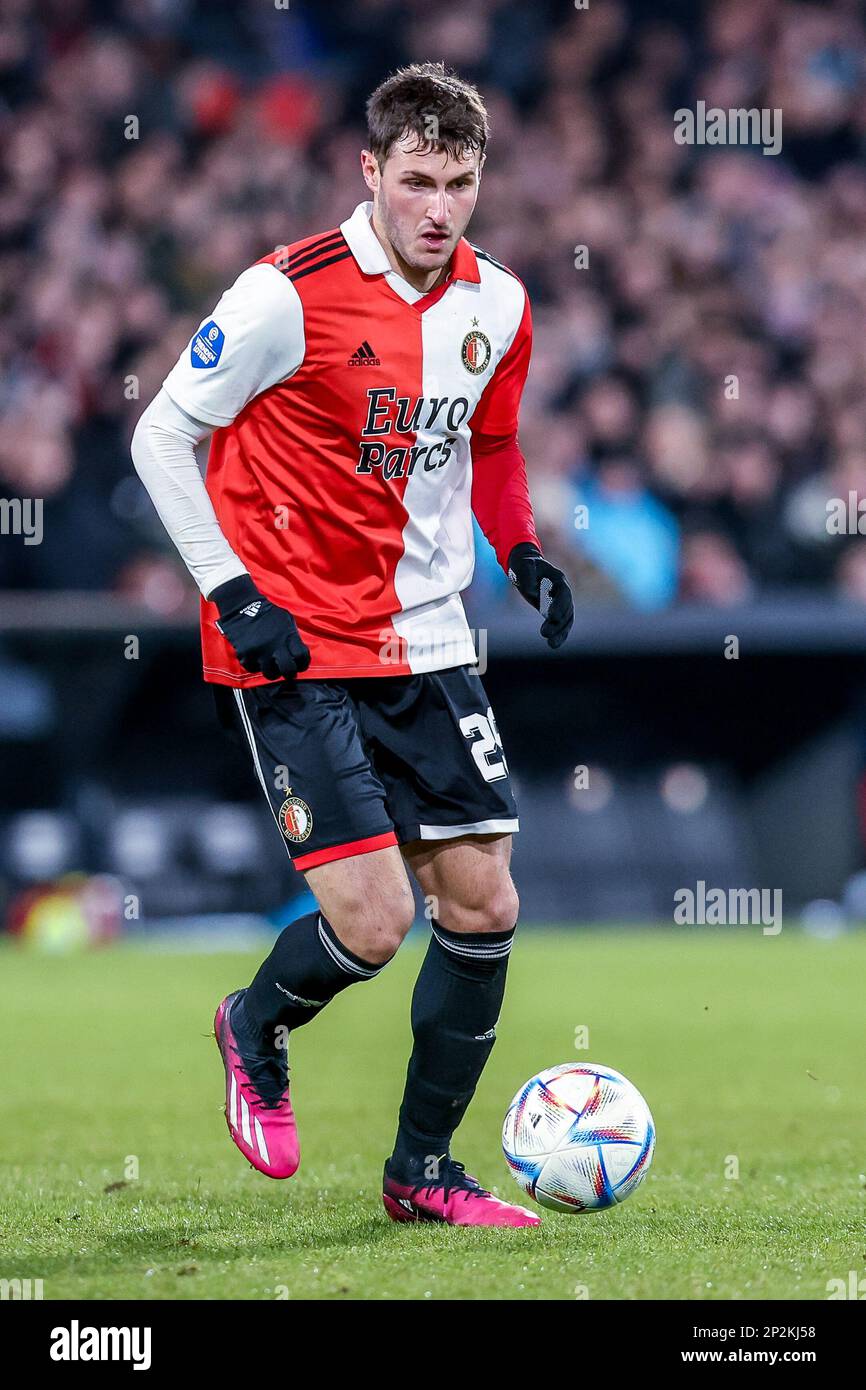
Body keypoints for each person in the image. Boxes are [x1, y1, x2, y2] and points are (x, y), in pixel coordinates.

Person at [131, 61, 573, 1227]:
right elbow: (159, 437)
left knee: (483, 906)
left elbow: (493, 443)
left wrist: (520, 550)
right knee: (372, 925)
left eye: (461, 183)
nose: (438, 208)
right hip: (293, 643)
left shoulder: (500, 305)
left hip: (430, 641)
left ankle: (421, 1171)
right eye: (416, 180)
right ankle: (255, 1021)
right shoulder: (285, 293)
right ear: (369, 171)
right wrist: (231, 594)